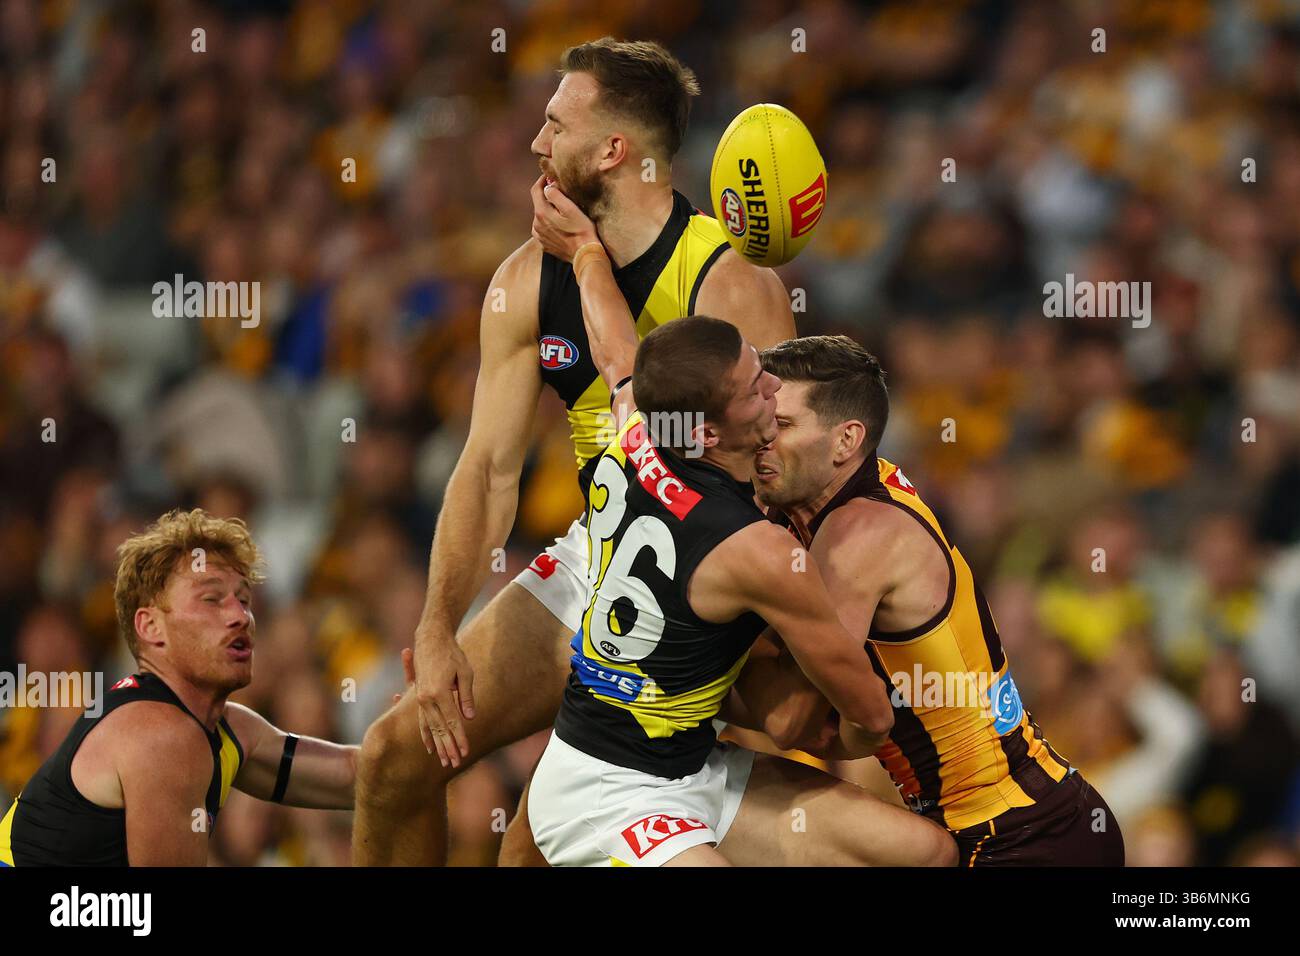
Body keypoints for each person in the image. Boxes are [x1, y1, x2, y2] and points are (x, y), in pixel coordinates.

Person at [353, 37, 795, 865]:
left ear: (612, 150)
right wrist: (439, 624)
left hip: (701, 587)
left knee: (530, 855)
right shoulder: (524, 281)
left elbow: (781, 489)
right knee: (391, 758)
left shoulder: (729, 286)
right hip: (598, 557)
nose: (535, 144)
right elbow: (487, 469)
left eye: (555, 125)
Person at [526, 317, 956, 866]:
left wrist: (584, 253)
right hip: (608, 794)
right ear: (707, 433)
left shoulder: (635, 431)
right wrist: (845, 744)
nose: (774, 390)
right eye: (756, 390)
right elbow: (870, 717)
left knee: (924, 854)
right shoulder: (757, 552)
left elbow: (617, 354)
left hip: (695, 766)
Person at [743, 335, 1126, 866]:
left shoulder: (857, 533)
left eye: (782, 426)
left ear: (845, 440)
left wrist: (681, 678)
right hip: (1010, 824)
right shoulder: (837, 493)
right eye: (760, 421)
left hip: (1023, 839)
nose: (761, 438)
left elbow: (792, 719)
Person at [0, 509, 358, 866]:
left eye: (244, 600)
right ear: (151, 627)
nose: (240, 617)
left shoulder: (229, 730)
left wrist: (413, 710)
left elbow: (360, 775)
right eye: (211, 599)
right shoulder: (161, 734)